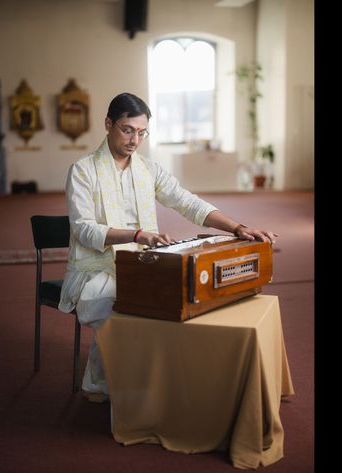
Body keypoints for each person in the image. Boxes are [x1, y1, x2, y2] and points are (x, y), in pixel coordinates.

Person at [58, 93, 278, 403]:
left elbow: (187, 202)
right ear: (108, 124)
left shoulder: (148, 169)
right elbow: (83, 229)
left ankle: (156, 385)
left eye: (142, 132)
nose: (135, 139)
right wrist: (138, 235)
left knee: (175, 296)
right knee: (122, 305)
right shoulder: (83, 171)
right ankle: (108, 384)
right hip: (93, 270)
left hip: (143, 264)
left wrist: (238, 228)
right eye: (127, 129)